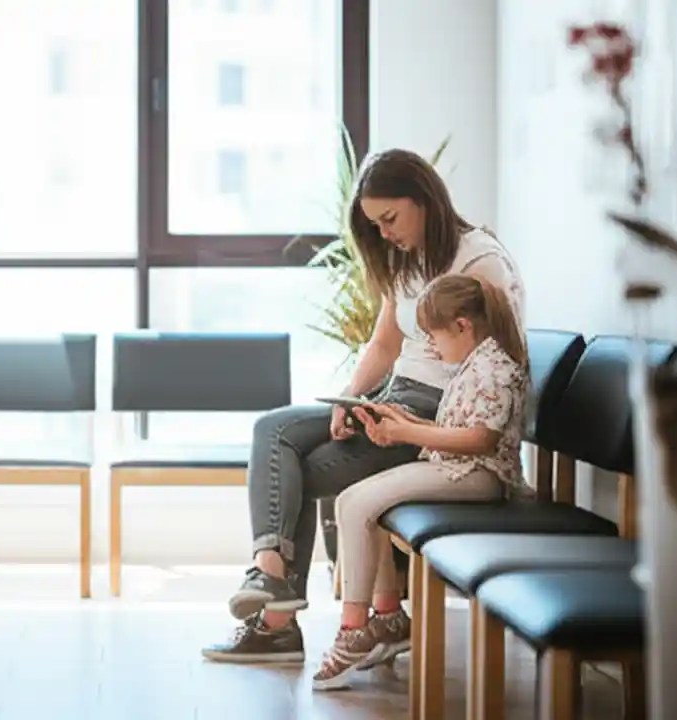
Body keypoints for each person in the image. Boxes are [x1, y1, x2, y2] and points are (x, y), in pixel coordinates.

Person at [202, 149, 525, 664]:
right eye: (375, 225)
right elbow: (383, 345)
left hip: (435, 418)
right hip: (392, 398)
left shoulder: (479, 259)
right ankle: (271, 574)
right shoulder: (408, 260)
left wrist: (409, 426)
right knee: (274, 431)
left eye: (389, 219)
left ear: (424, 200)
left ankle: (279, 620)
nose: (385, 234)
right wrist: (352, 399)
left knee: (298, 472)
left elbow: (499, 359)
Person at [311, 273, 530, 689]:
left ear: (463, 325)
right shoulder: (477, 361)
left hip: (478, 476)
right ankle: (387, 617)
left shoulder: (497, 366)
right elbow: (458, 423)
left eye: (436, 336)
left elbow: (481, 439)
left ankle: (353, 631)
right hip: (456, 467)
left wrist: (406, 434)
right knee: (355, 499)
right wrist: (402, 420)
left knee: (357, 504)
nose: (432, 346)